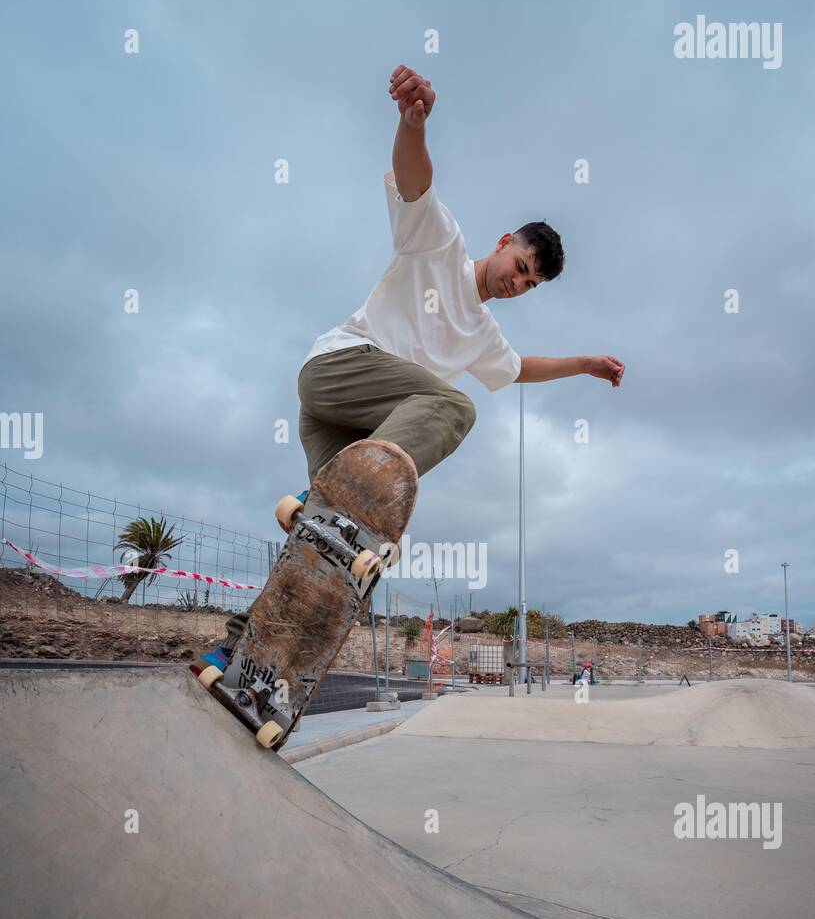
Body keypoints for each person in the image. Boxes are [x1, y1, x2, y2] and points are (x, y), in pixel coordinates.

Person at [192, 65, 625, 676]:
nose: (517, 282)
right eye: (520, 265)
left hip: (344, 429)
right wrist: (412, 123)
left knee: (328, 549)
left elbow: (518, 367)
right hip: (337, 368)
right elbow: (417, 182)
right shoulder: (439, 243)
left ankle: (244, 659)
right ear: (504, 242)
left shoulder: (484, 333)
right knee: (456, 406)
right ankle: (360, 495)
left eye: (530, 283)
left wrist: (584, 364)